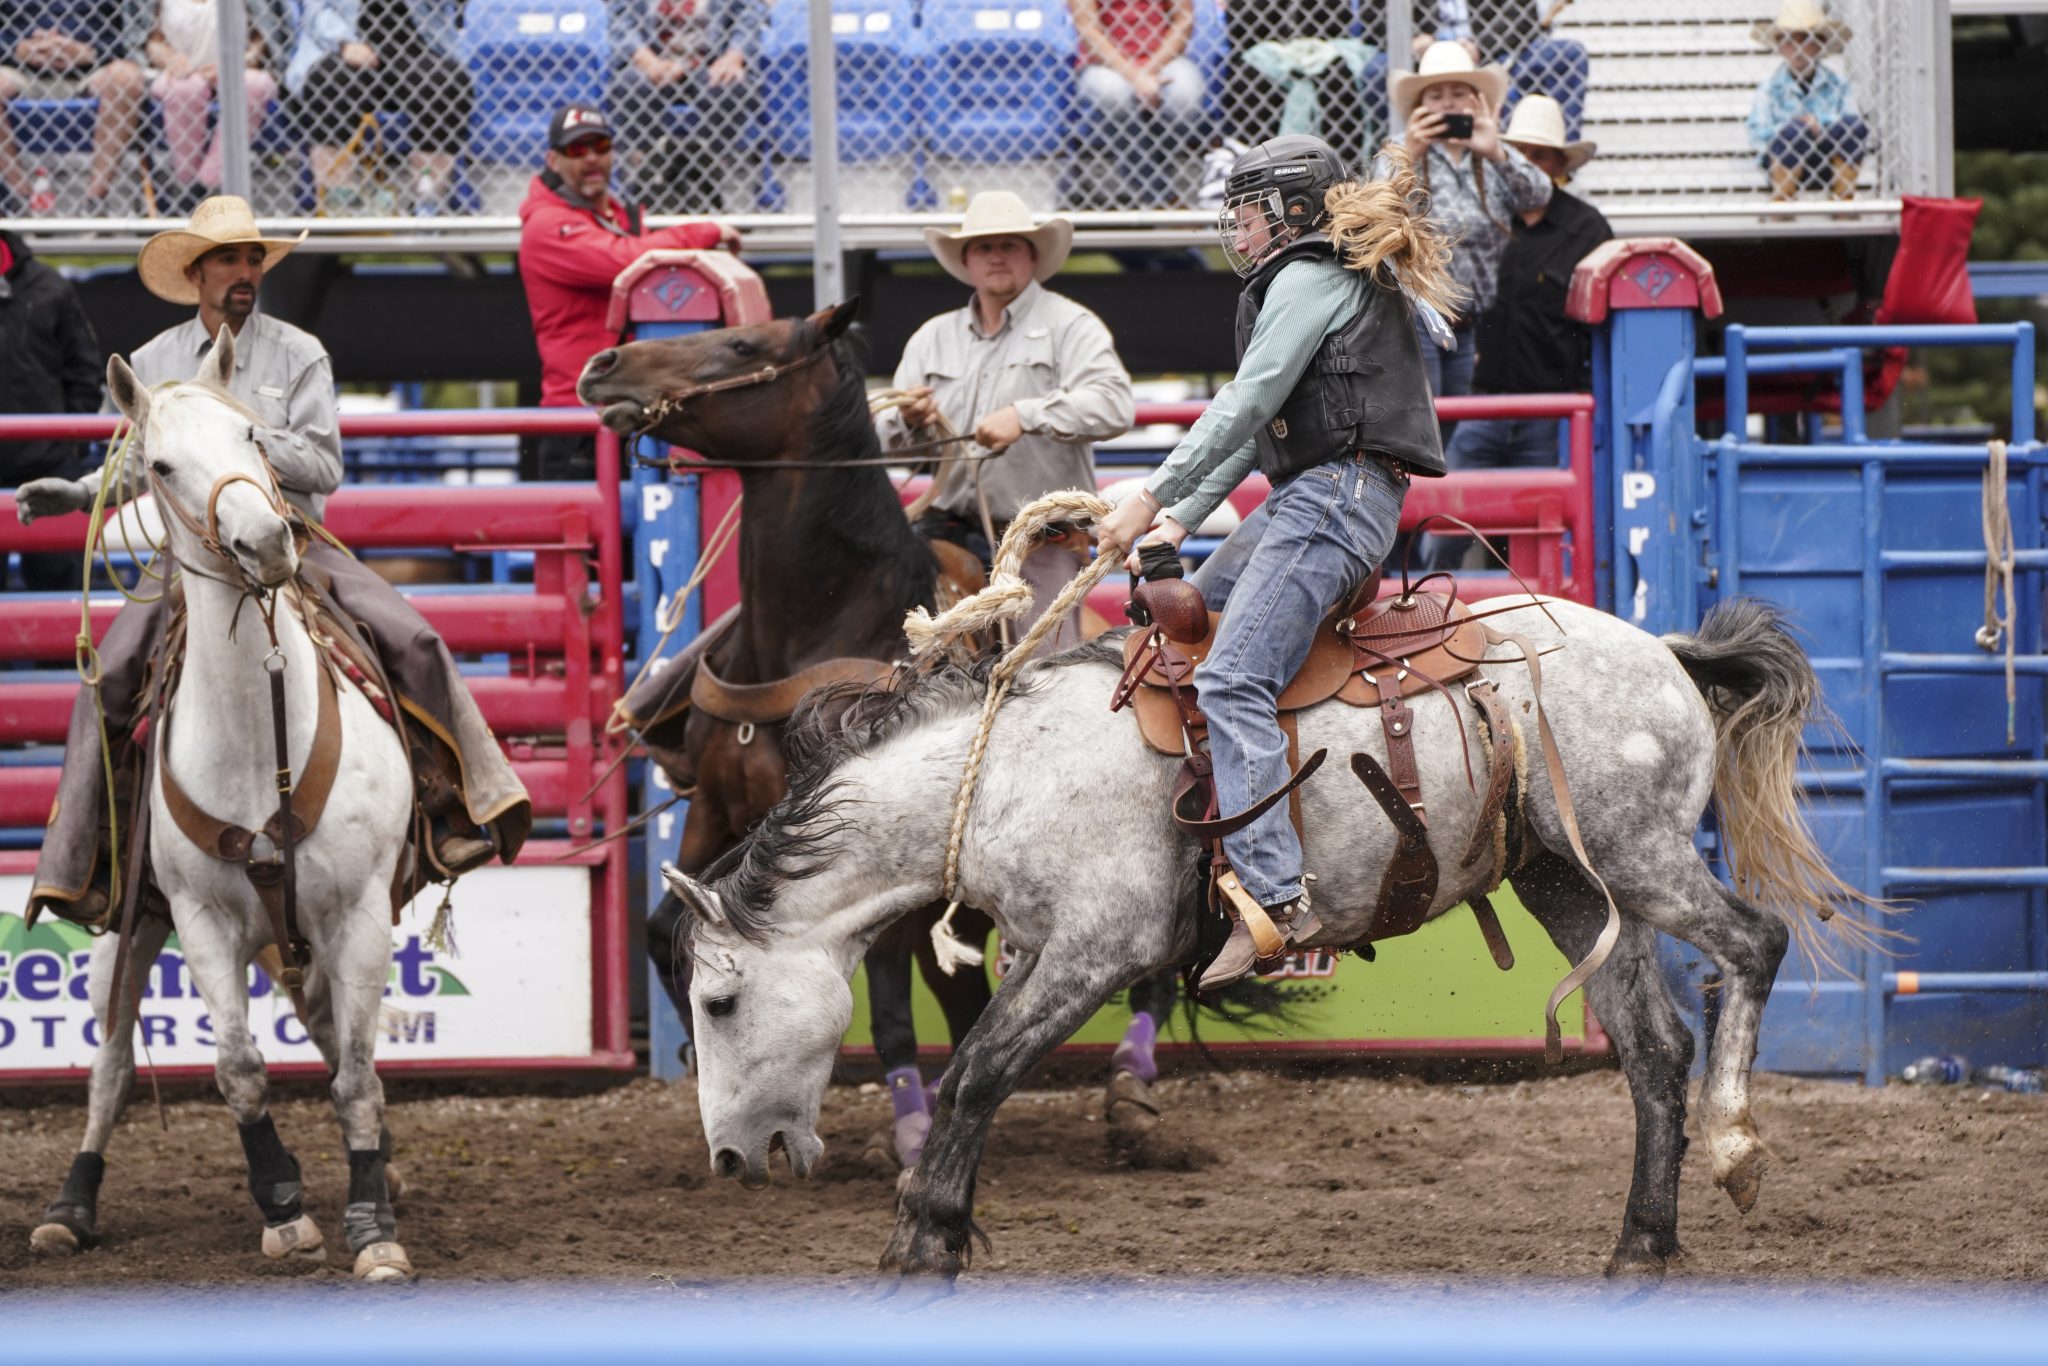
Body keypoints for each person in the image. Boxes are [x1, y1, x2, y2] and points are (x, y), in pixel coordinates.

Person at [14, 196, 531, 928]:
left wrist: (239, 445)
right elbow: (140, 464)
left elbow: (323, 463)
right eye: (229, 259)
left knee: (412, 639)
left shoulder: (299, 352)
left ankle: (456, 809)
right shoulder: (155, 362)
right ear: (196, 271)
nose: (245, 271)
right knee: (109, 681)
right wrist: (79, 490)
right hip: (188, 558)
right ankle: (87, 864)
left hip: (293, 543)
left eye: (253, 258)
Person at [1094, 135, 1460, 989]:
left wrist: (1149, 499)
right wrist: (1173, 522)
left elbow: (1245, 402)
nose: (1241, 227)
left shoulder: (1307, 277)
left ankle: (1277, 903)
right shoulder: (1313, 277)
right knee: (1175, 645)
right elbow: (1258, 433)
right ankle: (1208, 868)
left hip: (1335, 497)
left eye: (1250, 210)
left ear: (1291, 210)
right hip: (1314, 495)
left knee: (1227, 678)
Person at [877, 190, 1134, 652]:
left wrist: (1026, 414)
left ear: (1031, 255)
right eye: (984, 247)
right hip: (945, 530)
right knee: (894, 645)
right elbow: (884, 441)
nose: (996, 256)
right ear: (967, 260)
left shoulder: (1071, 325)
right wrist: (909, 419)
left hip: (1041, 536)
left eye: (1009, 245)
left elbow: (1114, 404)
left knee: (1042, 670)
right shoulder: (932, 338)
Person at [1422, 95, 1609, 569]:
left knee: (1535, 543)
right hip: (1483, 407)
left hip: (1550, 416)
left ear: (1560, 165)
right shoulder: (1481, 214)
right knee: (1440, 530)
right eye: (1520, 152)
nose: (1530, 164)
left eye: (1540, 155)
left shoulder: (1586, 229)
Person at [516, 103, 741, 481]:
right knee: (592, 539)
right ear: (552, 160)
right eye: (577, 150)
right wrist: (706, 232)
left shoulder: (613, 216)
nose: (591, 158)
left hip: (626, 411)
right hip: (578, 423)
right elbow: (628, 260)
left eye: (600, 146)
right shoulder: (546, 226)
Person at [1378, 40, 1550, 408]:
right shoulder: (1400, 147)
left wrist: (1497, 152)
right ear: (1420, 105)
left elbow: (1538, 197)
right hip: (1414, 313)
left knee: (1455, 421)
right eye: (1436, 95)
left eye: (1459, 92)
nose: (1448, 103)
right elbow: (1374, 210)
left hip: (1468, 321)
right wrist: (1410, 152)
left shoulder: (1493, 152)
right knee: (1425, 417)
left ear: (1477, 101)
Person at [284, 0, 473, 214]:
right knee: (330, 81)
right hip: (344, 45)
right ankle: (339, 203)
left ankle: (428, 200)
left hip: (418, 44)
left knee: (444, 83)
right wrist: (344, 42)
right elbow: (316, 12)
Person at [0, 226, 102, 592]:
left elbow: (84, 369)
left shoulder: (50, 287)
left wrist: (67, 440)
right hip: (45, 459)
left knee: (62, 594)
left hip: (48, 467)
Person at [605, 0, 767, 214]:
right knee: (630, 86)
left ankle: (713, 174)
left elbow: (749, 14)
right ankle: (646, 177)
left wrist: (733, 57)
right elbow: (620, 20)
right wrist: (647, 61)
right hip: (653, 60)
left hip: (710, 61)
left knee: (731, 87)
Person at [0, 0, 148, 214]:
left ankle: (95, 202)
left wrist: (91, 51)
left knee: (126, 78)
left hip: (94, 66)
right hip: (20, 67)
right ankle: (21, 198)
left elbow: (136, 33)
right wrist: (18, 49)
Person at [147, 0, 286, 208]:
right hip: (180, 73)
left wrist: (235, 62)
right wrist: (172, 61)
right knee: (186, 90)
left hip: (234, 67)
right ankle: (186, 182)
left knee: (256, 84)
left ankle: (202, 190)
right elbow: (150, 41)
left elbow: (260, 40)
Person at [1072, 0, 1203, 208]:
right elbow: (1088, 29)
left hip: (1163, 60)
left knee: (1183, 98)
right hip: (1106, 64)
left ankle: (1154, 192)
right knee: (1113, 95)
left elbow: (1183, 20)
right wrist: (1135, 77)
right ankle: (1160, 197)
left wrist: (1149, 70)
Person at [1747, 0, 1868, 203]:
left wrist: (1819, 125)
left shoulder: (1838, 84)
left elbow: (1852, 122)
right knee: (1795, 132)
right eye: (1788, 41)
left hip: (1828, 159)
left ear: (1819, 43)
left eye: (1804, 40)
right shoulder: (1769, 88)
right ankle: (1782, 202)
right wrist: (1798, 127)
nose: (1797, 49)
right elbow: (1758, 134)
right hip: (1784, 161)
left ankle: (1843, 202)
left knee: (1852, 127)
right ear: (1780, 46)